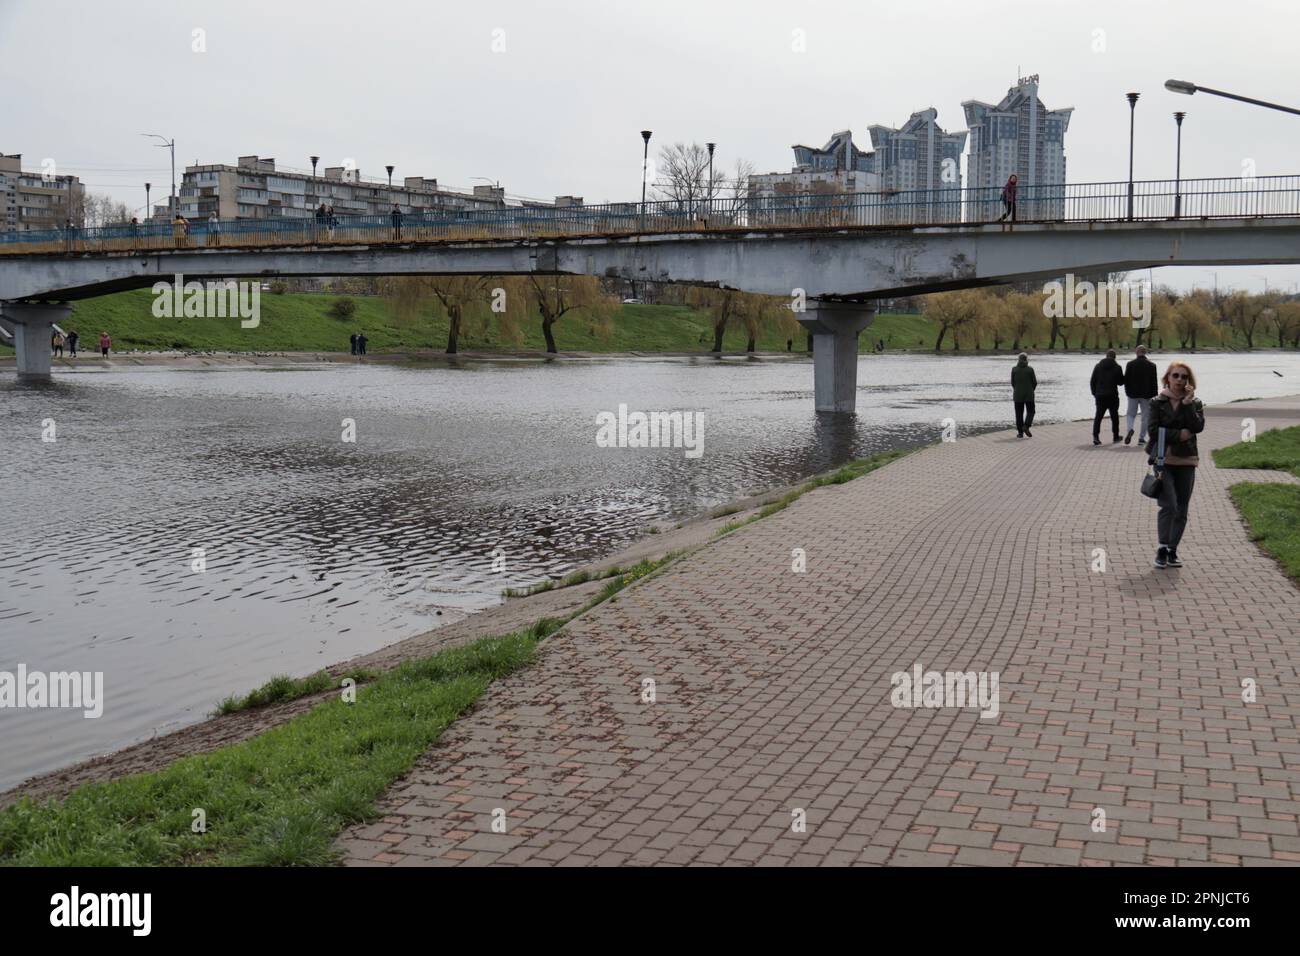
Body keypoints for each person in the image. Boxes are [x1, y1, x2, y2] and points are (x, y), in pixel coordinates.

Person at [1148, 362, 1204, 569]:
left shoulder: (1195, 402)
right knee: (1168, 504)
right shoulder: (1157, 402)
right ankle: (1162, 547)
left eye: (1184, 377)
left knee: (1182, 508)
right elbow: (1153, 431)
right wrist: (1179, 434)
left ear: (1189, 382)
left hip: (1187, 460)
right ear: (1167, 378)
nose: (1180, 380)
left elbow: (1197, 426)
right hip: (1163, 460)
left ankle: (1172, 550)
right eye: (1176, 376)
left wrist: (1188, 405)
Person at [1123, 344, 1158, 445]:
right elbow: (1154, 382)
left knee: (1130, 414)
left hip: (1132, 394)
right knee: (1145, 417)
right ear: (1145, 352)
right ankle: (1141, 439)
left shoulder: (1130, 364)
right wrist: (1154, 396)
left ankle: (1130, 429)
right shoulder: (1152, 365)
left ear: (1136, 352)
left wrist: (1127, 392)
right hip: (1147, 395)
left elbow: (1126, 380)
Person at [1090, 348, 1125, 444]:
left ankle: (1096, 437)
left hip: (1100, 396)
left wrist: (1095, 393)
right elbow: (1120, 383)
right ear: (1115, 357)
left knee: (1098, 416)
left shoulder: (1098, 366)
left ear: (1106, 356)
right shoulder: (1117, 367)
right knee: (1114, 417)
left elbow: (1092, 381)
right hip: (1112, 395)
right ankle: (1116, 436)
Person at [1011, 352, 1037, 437]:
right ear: (1026, 360)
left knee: (1019, 413)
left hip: (1017, 395)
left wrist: (1017, 389)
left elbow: (1012, 383)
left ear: (1018, 360)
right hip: (1029, 395)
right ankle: (1026, 426)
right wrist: (1030, 390)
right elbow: (1035, 383)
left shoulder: (1014, 369)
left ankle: (1020, 433)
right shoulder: (1030, 369)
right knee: (1031, 411)